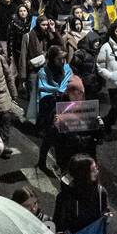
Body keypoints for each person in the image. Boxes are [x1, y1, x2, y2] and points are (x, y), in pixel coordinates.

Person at [35, 44, 72, 174]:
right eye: (58, 58)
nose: (62, 61)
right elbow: (42, 88)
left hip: (63, 104)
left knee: (62, 135)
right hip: (49, 105)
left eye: (63, 58)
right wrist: (56, 91)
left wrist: (62, 92)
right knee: (50, 135)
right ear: (51, 58)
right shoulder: (43, 71)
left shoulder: (66, 68)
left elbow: (68, 83)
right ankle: (42, 160)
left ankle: (60, 164)